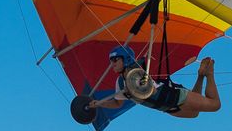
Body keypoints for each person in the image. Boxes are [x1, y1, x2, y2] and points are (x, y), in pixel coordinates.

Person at [87, 46, 221, 118]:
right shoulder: (120, 82)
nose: (112, 64)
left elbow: (151, 90)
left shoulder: (138, 71)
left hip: (175, 97)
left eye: (115, 60)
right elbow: (117, 103)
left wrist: (144, 62)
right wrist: (99, 103)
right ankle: (200, 75)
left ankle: (209, 74)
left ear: (125, 58)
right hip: (169, 108)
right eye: (111, 61)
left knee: (215, 105)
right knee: (195, 113)